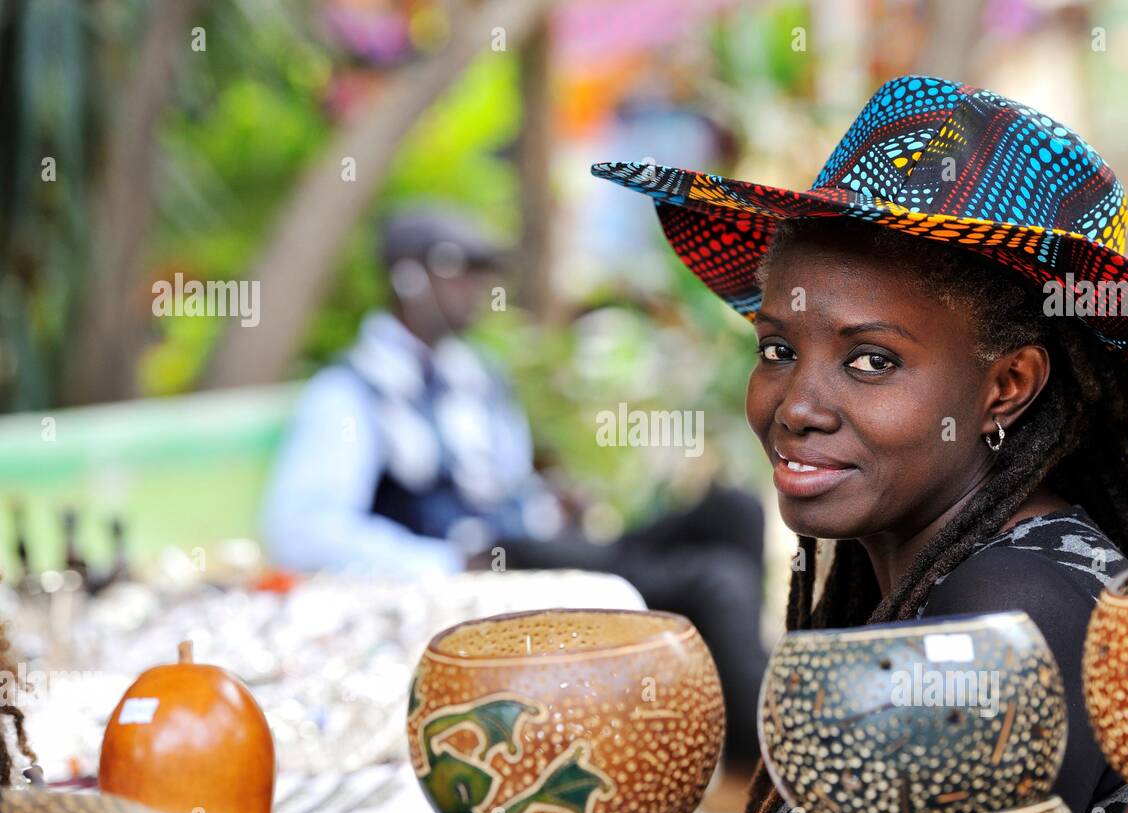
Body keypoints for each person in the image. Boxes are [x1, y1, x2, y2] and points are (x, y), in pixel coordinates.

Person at [593, 75, 1128, 813]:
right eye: (777, 349)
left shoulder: (1004, 619)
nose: (796, 405)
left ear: (1005, 388)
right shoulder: (972, 570)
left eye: (871, 360)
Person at [261, 207, 768, 767]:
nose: (479, 287)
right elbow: (304, 530)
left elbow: (507, 488)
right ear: (409, 279)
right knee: (715, 582)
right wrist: (448, 560)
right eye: (461, 270)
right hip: (478, 568)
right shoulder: (348, 394)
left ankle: (736, 736)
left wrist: (552, 501)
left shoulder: (476, 378)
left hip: (531, 546)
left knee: (734, 510)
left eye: (483, 271)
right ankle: (754, 762)